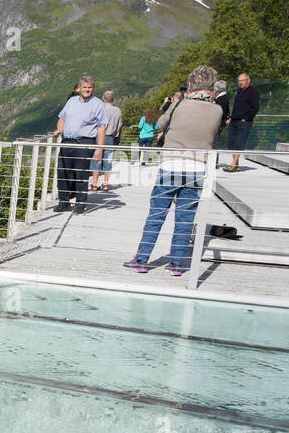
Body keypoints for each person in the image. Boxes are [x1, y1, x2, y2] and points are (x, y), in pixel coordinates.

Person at [123, 65, 223, 277]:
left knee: (157, 214)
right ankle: (177, 264)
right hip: (197, 167)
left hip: (171, 164)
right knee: (185, 218)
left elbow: (160, 124)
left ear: (190, 83)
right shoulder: (217, 109)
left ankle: (142, 259)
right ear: (212, 85)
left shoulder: (179, 105)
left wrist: (171, 106)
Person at [54, 76, 107, 213]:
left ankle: (80, 205)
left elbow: (101, 127)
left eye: (89, 87)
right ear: (80, 88)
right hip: (66, 142)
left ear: (93, 88)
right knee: (63, 173)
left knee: (81, 175)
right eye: (84, 87)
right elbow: (62, 118)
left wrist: (99, 149)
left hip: (84, 143)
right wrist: (60, 129)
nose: (87, 90)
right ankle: (64, 202)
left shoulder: (97, 104)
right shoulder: (72, 101)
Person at [225, 72, 259, 172]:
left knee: (239, 143)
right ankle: (236, 164)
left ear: (248, 80)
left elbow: (255, 108)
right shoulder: (239, 92)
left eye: (242, 80)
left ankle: (233, 164)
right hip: (234, 120)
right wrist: (231, 117)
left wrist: (247, 118)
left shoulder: (253, 92)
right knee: (231, 144)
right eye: (239, 81)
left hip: (244, 122)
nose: (240, 82)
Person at [89, 91, 122, 191]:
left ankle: (94, 183)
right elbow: (119, 126)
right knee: (108, 161)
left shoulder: (100, 108)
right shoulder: (117, 110)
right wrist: (115, 135)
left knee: (96, 160)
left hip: (98, 137)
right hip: (110, 138)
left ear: (103, 98)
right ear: (113, 99)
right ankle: (105, 184)